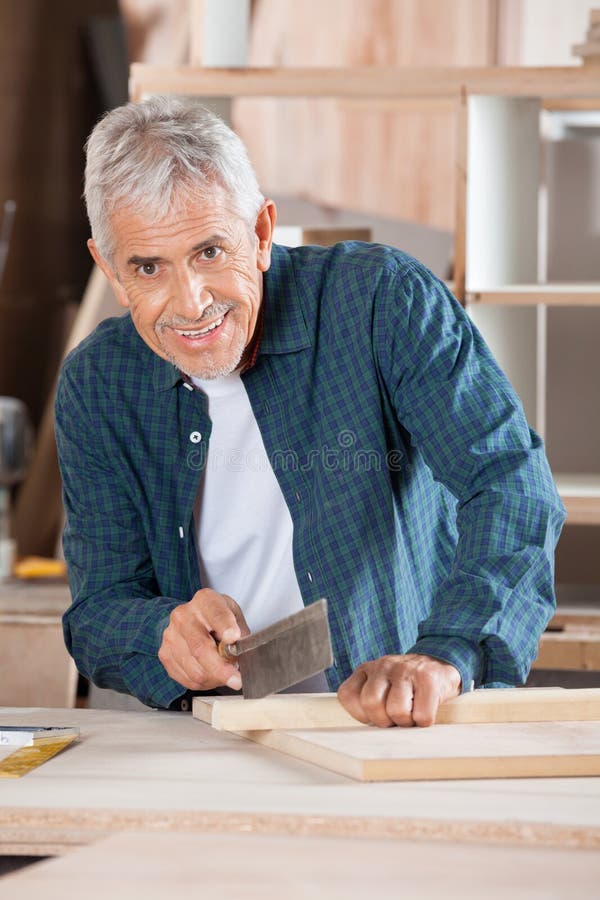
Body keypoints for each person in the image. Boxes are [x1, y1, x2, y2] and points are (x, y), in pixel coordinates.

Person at [55, 97, 565, 727]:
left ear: (262, 234)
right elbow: (99, 608)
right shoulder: (98, 382)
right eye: (149, 267)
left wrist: (446, 652)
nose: (190, 303)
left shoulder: (380, 300)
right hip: (223, 733)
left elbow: (509, 483)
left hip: (401, 722)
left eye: (210, 252)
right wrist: (160, 632)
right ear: (110, 268)